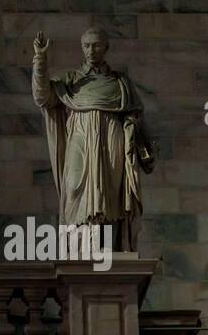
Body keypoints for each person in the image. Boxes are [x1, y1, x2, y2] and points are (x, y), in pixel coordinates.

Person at [31, 26, 155, 251]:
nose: (91, 50)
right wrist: (40, 61)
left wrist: (145, 147)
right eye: (86, 45)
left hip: (113, 140)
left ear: (105, 47)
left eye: (96, 45)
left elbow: (137, 116)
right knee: (75, 188)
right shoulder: (70, 80)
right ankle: (80, 249)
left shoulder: (121, 83)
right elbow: (43, 97)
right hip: (80, 139)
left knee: (111, 195)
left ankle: (111, 249)